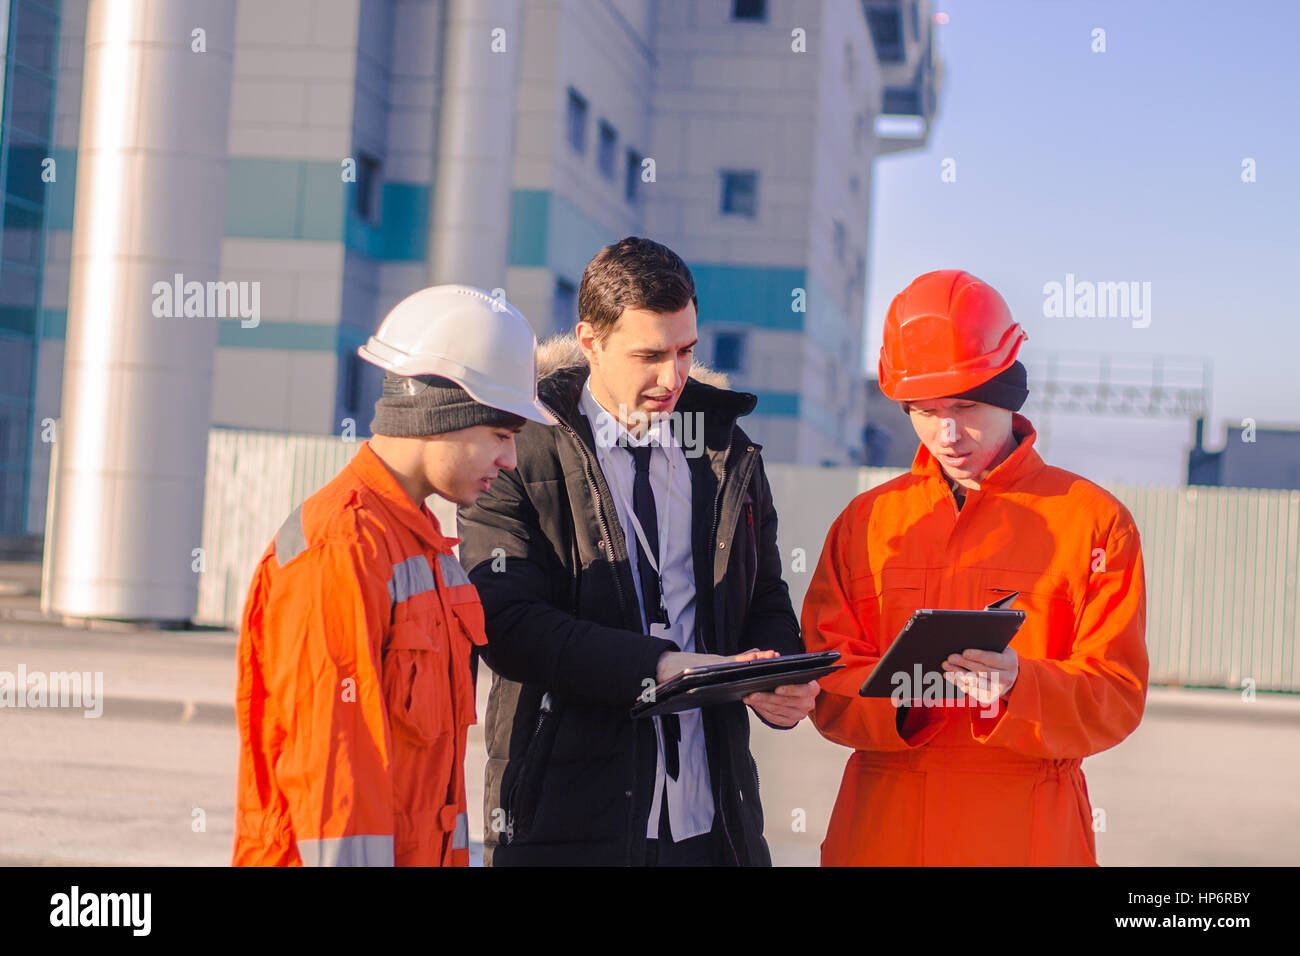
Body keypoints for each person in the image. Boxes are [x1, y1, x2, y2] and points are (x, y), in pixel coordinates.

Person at [455, 237, 818, 866]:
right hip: (568, 816)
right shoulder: (517, 449)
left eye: (686, 351)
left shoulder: (726, 450)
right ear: (589, 341)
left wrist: (778, 673)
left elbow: (762, 595)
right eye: (649, 355)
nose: (672, 377)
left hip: (712, 821)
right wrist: (660, 666)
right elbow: (508, 625)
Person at [802, 269, 1149, 866]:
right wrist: (913, 700)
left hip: (1029, 839)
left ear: (1009, 392)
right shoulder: (867, 524)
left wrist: (1020, 683)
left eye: (964, 405)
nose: (947, 433)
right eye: (925, 410)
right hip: (884, 838)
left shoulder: (1094, 523)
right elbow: (825, 685)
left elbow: (1115, 697)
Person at [232, 285, 556, 866]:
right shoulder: (342, 547)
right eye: (502, 436)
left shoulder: (426, 549)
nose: (509, 460)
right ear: (442, 415)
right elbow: (333, 781)